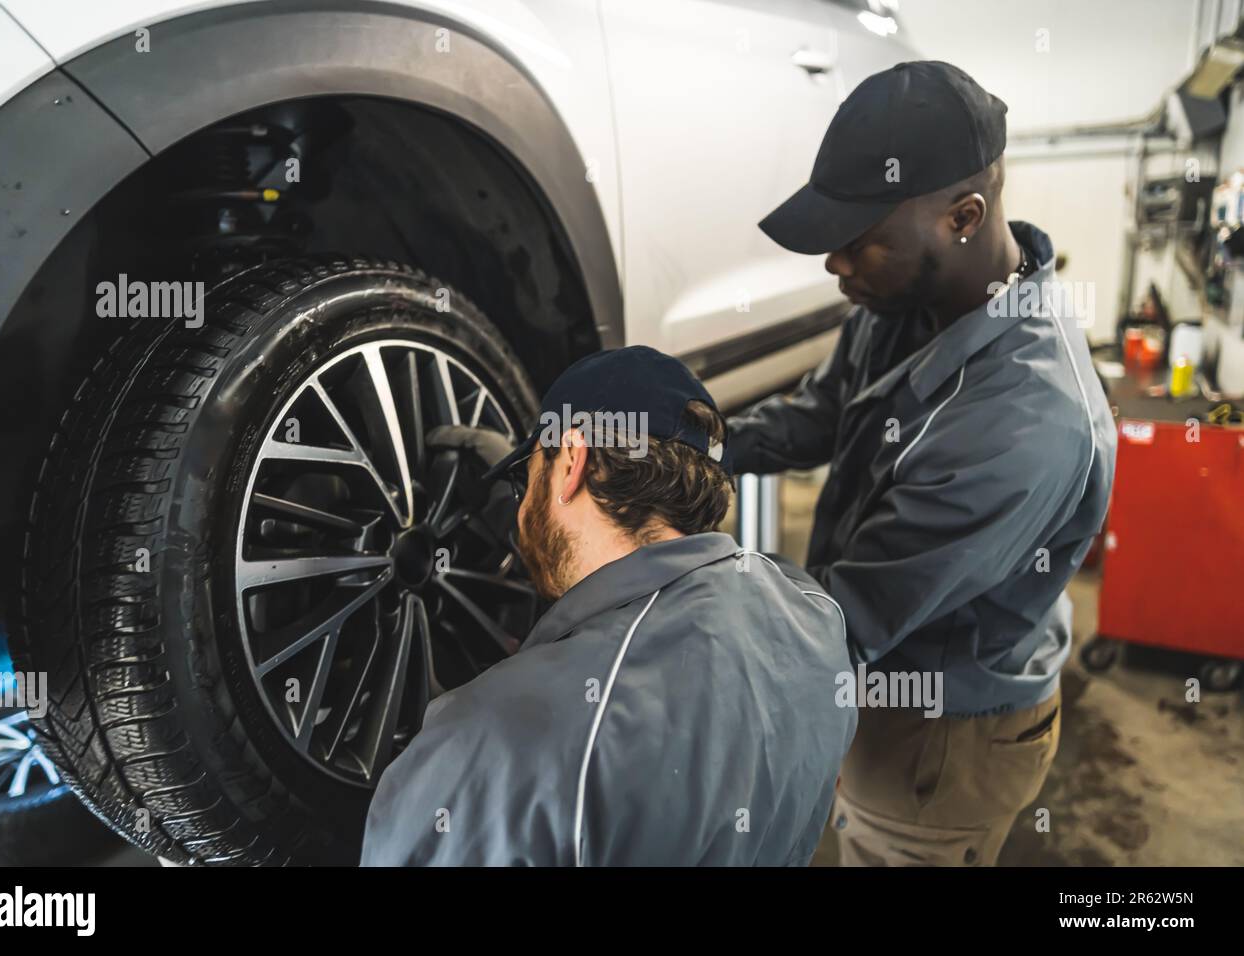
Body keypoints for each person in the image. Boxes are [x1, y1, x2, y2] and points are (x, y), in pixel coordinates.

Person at [727, 61, 1117, 866]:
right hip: (879, 679)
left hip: (941, 743)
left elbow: (847, 618)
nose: (836, 267)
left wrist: (643, 614)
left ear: (963, 216)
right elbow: (827, 411)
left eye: (858, 244)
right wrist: (696, 443)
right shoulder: (905, 297)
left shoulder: (1025, 422)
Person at [361, 346, 855, 865]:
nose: (520, 506)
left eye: (523, 480)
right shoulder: (815, 618)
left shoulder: (486, 743)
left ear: (572, 460)